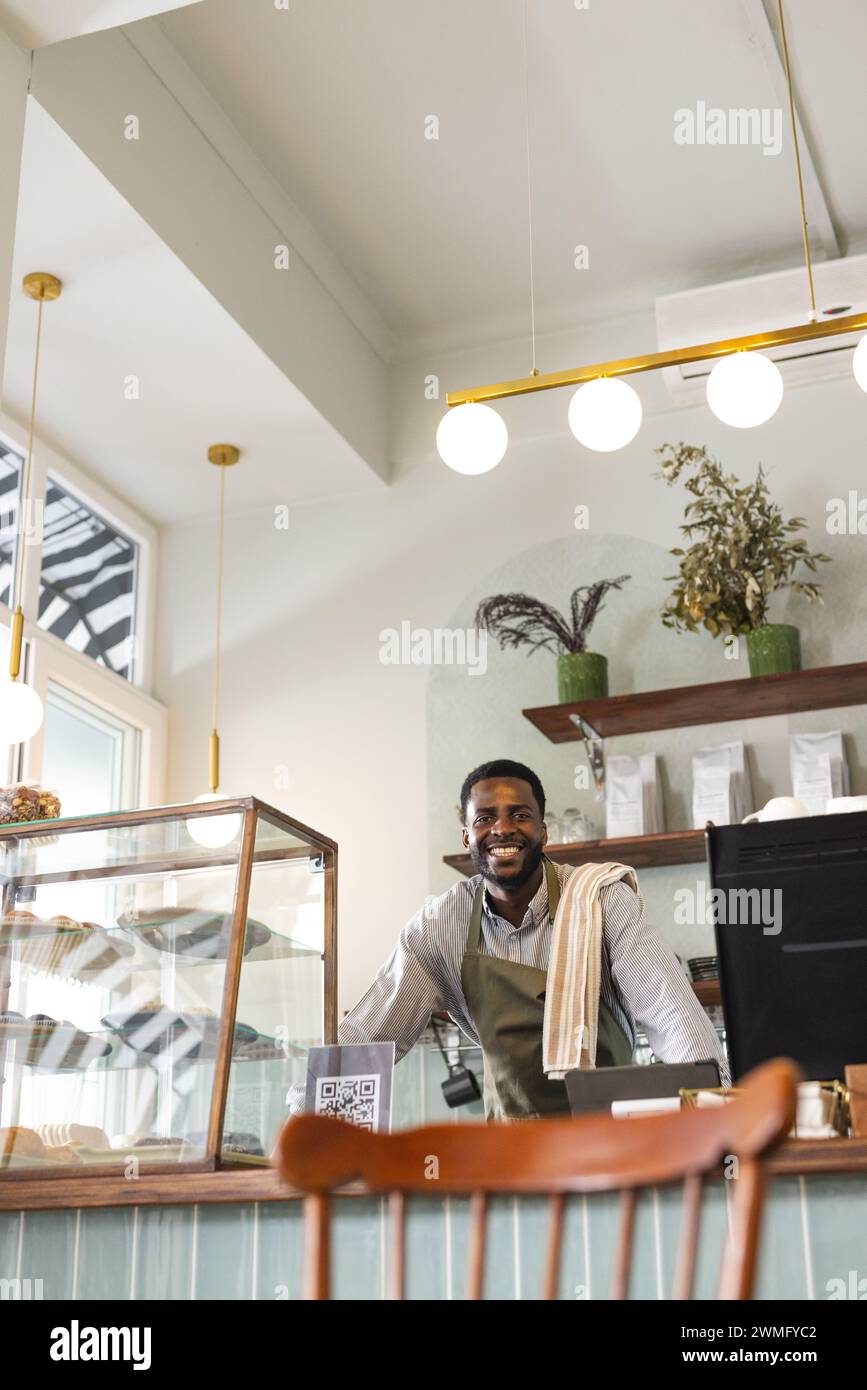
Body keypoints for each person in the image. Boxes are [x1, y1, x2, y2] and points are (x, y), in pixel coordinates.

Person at [339, 758, 730, 1117]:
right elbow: (367, 1038)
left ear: (543, 832)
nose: (502, 829)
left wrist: (715, 1111)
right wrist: (311, 1116)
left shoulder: (602, 899)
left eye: (520, 815)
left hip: (613, 1144)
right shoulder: (439, 926)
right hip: (513, 1160)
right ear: (466, 837)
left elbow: (670, 1010)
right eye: (484, 818)